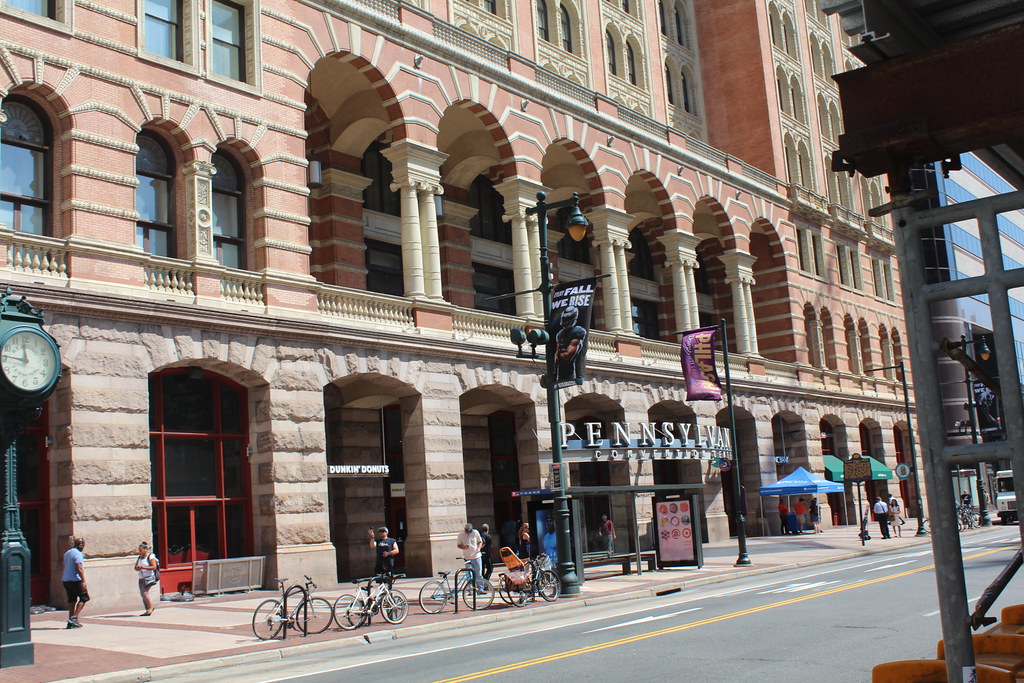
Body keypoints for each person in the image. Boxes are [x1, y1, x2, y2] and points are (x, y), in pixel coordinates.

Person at [553, 306, 587, 384]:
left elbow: (566, 356)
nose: (565, 321)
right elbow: (557, 358)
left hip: (571, 374)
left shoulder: (578, 331)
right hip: (559, 374)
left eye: (567, 318)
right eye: (564, 318)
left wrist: (559, 353)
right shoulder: (560, 334)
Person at [62, 537, 88, 629]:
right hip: (75, 580)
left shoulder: (67, 553)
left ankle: (70, 622)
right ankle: (74, 618)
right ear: (81, 545)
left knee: (72, 600)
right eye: (83, 545)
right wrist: (83, 580)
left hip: (66, 580)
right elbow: (79, 567)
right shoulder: (78, 553)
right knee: (84, 598)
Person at [135, 541, 159, 616]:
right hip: (141, 578)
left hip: (149, 577)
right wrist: (138, 568)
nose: (140, 552)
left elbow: (154, 567)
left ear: (145, 550)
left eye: (141, 550)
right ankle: (148, 609)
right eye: (139, 550)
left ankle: (150, 608)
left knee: (144, 593)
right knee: (143, 594)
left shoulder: (150, 557)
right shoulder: (139, 557)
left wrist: (143, 567)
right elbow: (135, 567)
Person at [457, 522, 484, 589]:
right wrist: (463, 547)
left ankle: (480, 588)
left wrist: (478, 549)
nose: (468, 533)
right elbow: (458, 545)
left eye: (470, 531)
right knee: (469, 575)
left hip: (476, 556)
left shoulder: (475, 532)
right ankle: (471, 589)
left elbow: (480, 541)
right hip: (467, 557)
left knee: (478, 573)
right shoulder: (461, 534)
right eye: (467, 531)